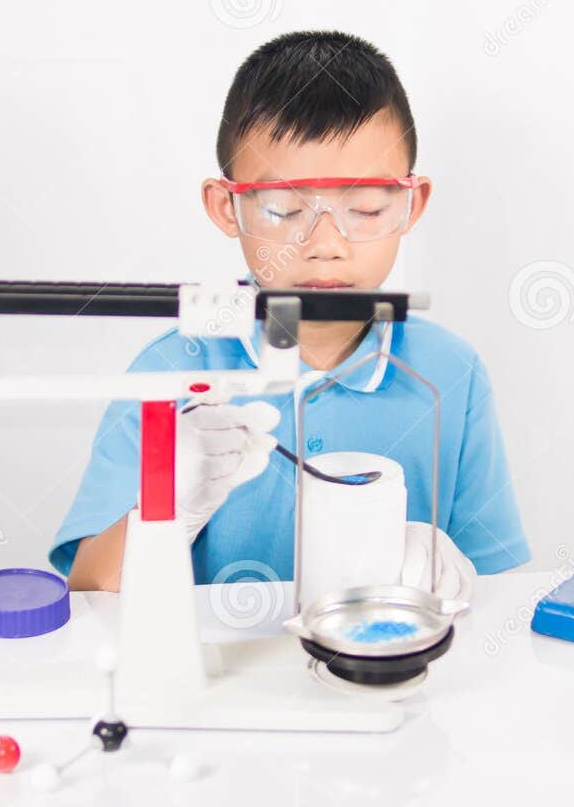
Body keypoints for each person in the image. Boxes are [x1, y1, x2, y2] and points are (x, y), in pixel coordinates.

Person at [51, 30, 529, 599]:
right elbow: (90, 589)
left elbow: (496, 588)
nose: (325, 244)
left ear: (412, 203)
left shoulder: (450, 371)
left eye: (366, 208)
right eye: (282, 209)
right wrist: (166, 511)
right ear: (226, 206)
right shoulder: (171, 369)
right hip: (217, 659)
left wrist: (455, 572)